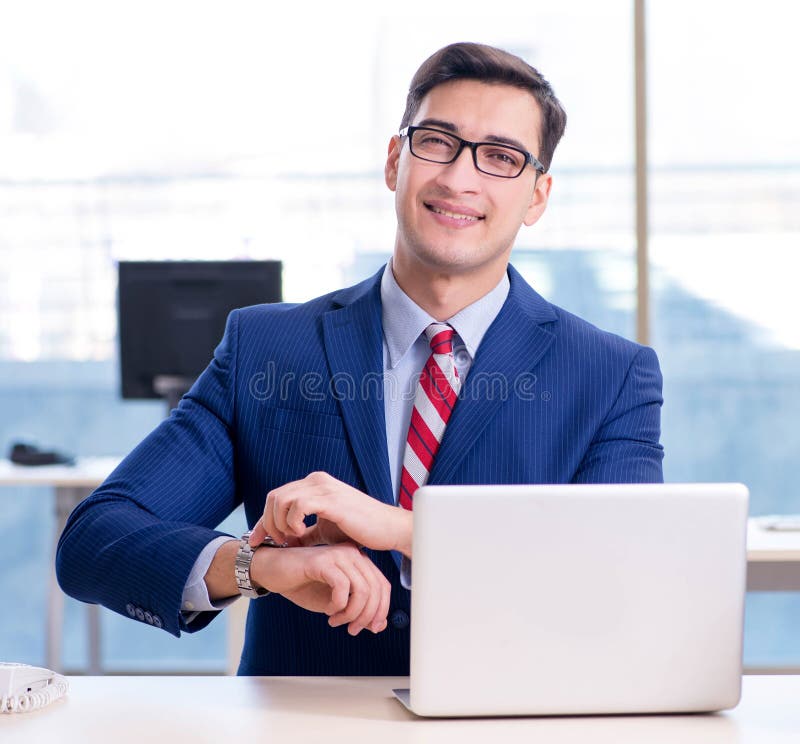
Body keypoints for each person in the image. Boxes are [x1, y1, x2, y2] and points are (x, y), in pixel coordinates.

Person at [56, 42, 664, 676]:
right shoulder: (268, 348)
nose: (460, 178)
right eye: (437, 142)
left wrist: (404, 530)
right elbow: (96, 542)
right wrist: (258, 566)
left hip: (512, 722)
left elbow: (619, 578)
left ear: (538, 196)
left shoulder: (611, 375)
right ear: (395, 160)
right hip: (300, 728)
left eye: (501, 158)